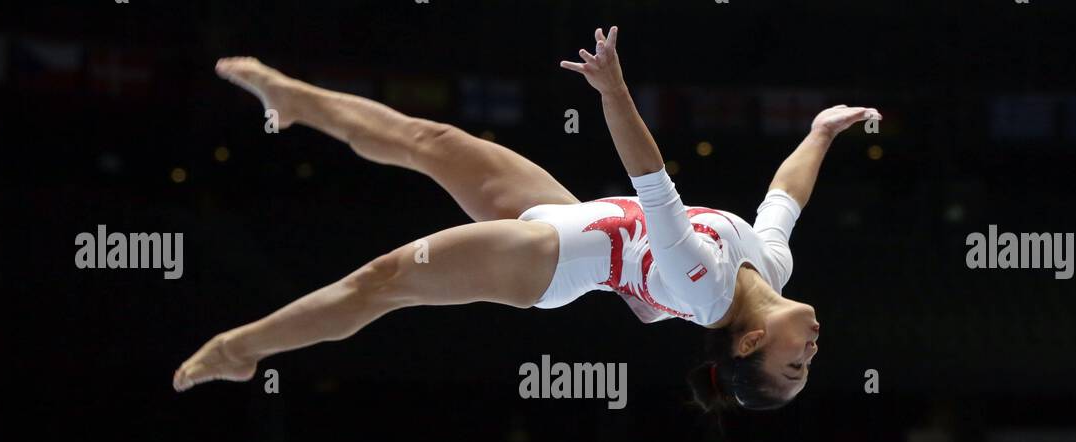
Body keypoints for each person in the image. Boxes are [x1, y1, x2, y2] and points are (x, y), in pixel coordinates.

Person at [174, 27, 877, 412]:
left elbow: (655, 188)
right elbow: (784, 202)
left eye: (795, 365)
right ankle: (296, 101)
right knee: (434, 142)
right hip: (574, 220)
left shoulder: (705, 290)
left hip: (550, 261)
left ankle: (241, 352)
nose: (813, 350)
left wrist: (614, 92)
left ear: (750, 340)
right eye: (808, 363)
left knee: (384, 279)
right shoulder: (773, 268)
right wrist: (819, 133)